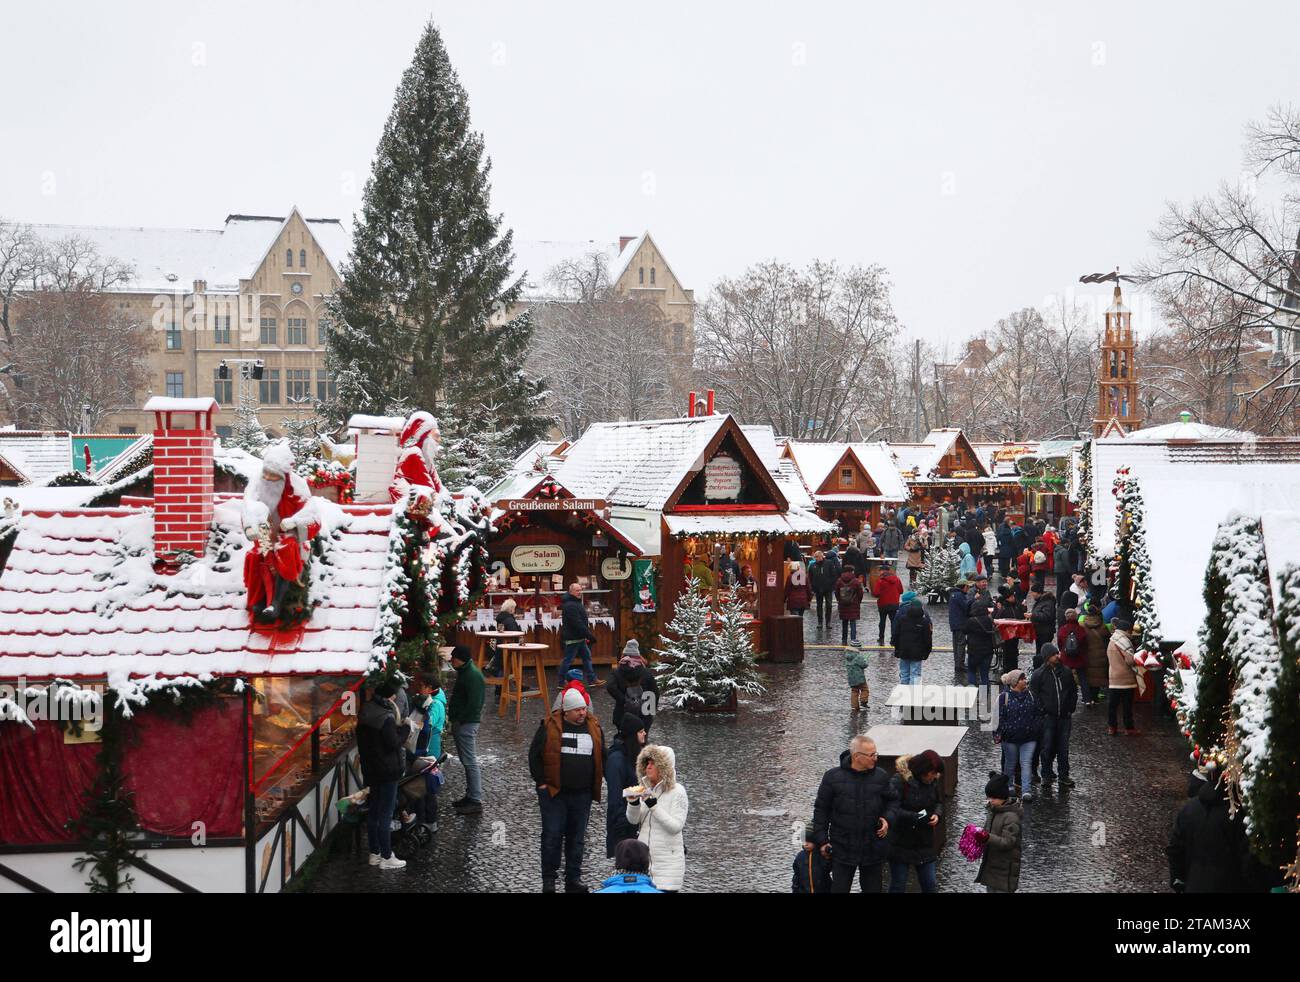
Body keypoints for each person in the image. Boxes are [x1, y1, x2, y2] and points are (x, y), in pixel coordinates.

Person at [529, 687, 606, 893]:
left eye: (584, 709)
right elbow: (534, 755)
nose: (583, 713)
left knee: (577, 839)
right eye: (578, 710)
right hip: (555, 794)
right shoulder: (549, 727)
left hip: (582, 795)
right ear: (566, 712)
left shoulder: (594, 727)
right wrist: (541, 783)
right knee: (552, 836)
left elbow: (602, 756)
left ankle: (573, 878)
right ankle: (549, 881)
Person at [811, 735, 900, 893]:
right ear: (856, 756)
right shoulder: (832, 777)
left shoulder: (881, 776)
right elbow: (821, 811)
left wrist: (887, 819)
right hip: (842, 848)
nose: (875, 758)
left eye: (876, 753)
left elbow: (893, 801)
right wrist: (822, 840)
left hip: (873, 848)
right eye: (871, 755)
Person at [1166, 773, 1276, 893]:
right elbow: (1250, 865)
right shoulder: (1241, 816)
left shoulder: (1189, 809)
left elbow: (1176, 850)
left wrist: (1178, 881)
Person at [358, 682, 412, 869]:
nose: (395, 699)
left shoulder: (365, 711)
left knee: (373, 811)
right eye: (393, 697)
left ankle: (375, 853)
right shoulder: (386, 717)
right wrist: (406, 728)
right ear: (388, 697)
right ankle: (387, 857)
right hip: (387, 771)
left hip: (371, 770)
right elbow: (393, 743)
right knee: (385, 813)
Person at [626, 744, 689, 892]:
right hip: (643, 865)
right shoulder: (646, 789)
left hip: (667, 868)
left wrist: (653, 805)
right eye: (647, 763)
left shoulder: (678, 792)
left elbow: (675, 827)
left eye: (653, 763)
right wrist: (633, 803)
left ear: (664, 767)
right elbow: (633, 820)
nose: (648, 767)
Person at [887, 751, 943, 893]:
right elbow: (892, 810)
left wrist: (937, 814)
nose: (935, 776)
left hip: (924, 842)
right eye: (933, 772)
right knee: (898, 885)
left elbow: (939, 802)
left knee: (930, 885)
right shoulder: (899, 781)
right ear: (923, 770)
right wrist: (916, 817)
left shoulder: (933, 782)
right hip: (901, 842)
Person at [1030, 643, 1078, 789]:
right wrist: (1042, 711)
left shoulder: (1066, 672)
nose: (1057, 656)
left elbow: (1073, 692)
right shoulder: (1039, 675)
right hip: (1048, 717)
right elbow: (1035, 696)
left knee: (1063, 748)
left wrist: (1070, 708)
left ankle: (1063, 775)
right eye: (1053, 654)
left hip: (1064, 717)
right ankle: (1046, 775)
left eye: (1057, 653)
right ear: (1046, 657)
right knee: (1047, 747)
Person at [447, 645, 484, 814]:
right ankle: (471, 796)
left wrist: (460, 720)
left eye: (453, 658)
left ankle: (475, 799)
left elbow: (475, 703)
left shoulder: (472, 676)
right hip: (463, 722)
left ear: (460, 659)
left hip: (466, 724)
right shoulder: (465, 672)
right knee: (467, 761)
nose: (451, 660)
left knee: (470, 762)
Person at [604, 713, 647, 859]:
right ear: (632, 735)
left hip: (634, 822)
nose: (645, 734)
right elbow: (615, 797)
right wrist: (623, 825)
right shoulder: (617, 760)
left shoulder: (633, 755)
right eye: (641, 732)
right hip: (623, 826)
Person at [994, 669, 1041, 803]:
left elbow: (1037, 714)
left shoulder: (1031, 696)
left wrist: (1035, 729)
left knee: (1026, 763)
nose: (1025, 680)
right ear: (1014, 682)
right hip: (1010, 739)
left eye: (1024, 678)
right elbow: (998, 717)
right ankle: (1009, 787)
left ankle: (1026, 790)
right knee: (1010, 764)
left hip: (1028, 738)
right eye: (1022, 679)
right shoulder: (1004, 697)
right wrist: (1000, 734)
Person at [408, 671, 446, 832]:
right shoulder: (434, 700)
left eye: (422, 686)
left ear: (429, 687)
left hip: (430, 750)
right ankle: (423, 818)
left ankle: (429, 820)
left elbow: (426, 725)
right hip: (428, 749)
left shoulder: (435, 704)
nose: (419, 689)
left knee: (427, 786)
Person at [975, 771, 1023, 893]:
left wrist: (987, 838)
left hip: (1005, 870)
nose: (990, 800)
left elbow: (1008, 842)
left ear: (1002, 796)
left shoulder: (1011, 817)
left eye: (993, 797)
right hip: (992, 866)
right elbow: (988, 831)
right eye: (989, 797)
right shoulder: (993, 811)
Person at [607, 639, 657, 732]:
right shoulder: (646, 672)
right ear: (638, 655)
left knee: (623, 740)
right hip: (643, 714)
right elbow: (654, 693)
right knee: (641, 742)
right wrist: (650, 713)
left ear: (624, 654)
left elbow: (610, 687)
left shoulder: (617, 671)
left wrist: (623, 700)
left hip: (622, 714)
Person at [559, 582, 598, 687]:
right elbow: (577, 623)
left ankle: (592, 679)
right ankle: (561, 681)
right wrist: (589, 635)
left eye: (580, 590)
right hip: (573, 638)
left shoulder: (574, 603)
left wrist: (586, 635)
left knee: (587, 657)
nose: (579, 592)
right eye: (577, 590)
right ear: (571, 591)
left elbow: (579, 622)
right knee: (568, 660)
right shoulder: (570, 605)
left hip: (579, 637)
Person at [1106, 617, 1141, 735]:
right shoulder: (1124, 641)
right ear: (1126, 630)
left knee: (1113, 705)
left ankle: (1112, 727)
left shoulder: (1112, 640)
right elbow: (1130, 661)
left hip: (1113, 677)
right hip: (1126, 678)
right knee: (1127, 706)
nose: (1131, 633)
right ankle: (1129, 728)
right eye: (1130, 631)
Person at [893, 590, 932, 685]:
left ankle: (904, 693)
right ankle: (913, 695)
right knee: (915, 674)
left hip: (904, 650)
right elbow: (928, 638)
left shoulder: (902, 619)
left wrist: (897, 649)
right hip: (917, 653)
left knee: (904, 673)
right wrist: (927, 651)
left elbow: (896, 635)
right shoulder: (924, 621)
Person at [1057, 608, 1092, 704]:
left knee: (1065, 679)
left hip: (1066, 658)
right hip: (1079, 657)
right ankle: (1087, 699)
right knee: (1083, 678)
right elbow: (1085, 644)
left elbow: (1060, 644)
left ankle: (1064, 697)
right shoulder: (1081, 629)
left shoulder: (1062, 630)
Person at [792, 820, 834, 893]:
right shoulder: (800, 856)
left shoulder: (822, 855)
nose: (806, 844)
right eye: (804, 841)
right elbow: (797, 875)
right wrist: (795, 888)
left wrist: (828, 858)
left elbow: (828, 868)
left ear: (816, 841)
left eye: (809, 841)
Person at [963, 599, 998, 686]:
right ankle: (984, 694)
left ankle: (973, 691)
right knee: (984, 674)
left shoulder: (971, 621)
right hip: (988, 650)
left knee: (971, 671)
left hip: (974, 650)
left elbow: (964, 631)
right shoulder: (989, 620)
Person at [871, 563, 904, 646]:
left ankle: (881, 637)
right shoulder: (896, 579)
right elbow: (901, 591)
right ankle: (893, 639)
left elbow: (876, 593)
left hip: (883, 604)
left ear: (882, 571)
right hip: (894, 604)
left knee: (882, 621)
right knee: (893, 621)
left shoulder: (880, 580)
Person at [836, 566, 865, 648]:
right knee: (853, 623)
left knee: (844, 623)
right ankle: (853, 640)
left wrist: (840, 600)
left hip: (843, 605)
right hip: (853, 605)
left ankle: (844, 640)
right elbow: (860, 593)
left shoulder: (839, 580)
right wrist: (858, 601)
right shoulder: (856, 581)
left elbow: (836, 592)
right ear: (852, 571)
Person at [948, 577, 971, 678]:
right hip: (960, 623)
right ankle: (960, 665)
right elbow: (966, 607)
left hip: (954, 624)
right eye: (967, 587)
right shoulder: (960, 596)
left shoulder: (953, 595)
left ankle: (957, 664)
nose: (968, 589)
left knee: (956, 644)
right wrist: (973, 600)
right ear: (964, 587)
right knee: (961, 644)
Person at [809, 550, 837, 630]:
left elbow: (833, 575)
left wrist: (831, 585)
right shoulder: (812, 566)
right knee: (819, 606)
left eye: (817, 557)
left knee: (829, 605)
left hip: (828, 589)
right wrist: (813, 587)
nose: (816, 559)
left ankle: (828, 622)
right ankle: (820, 622)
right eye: (815, 557)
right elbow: (810, 577)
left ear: (821, 556)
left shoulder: (829, 563)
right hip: (818, 589)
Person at [1029, 589, 1057, 661]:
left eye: (1033, 592)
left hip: (1045, 632)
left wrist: (1033, 615)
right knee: (1039, 651)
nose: (1031, 594)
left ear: (1038, 593)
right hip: (1039, 631)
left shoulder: (1048, 603)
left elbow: (1046, 616)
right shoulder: (1040, 601)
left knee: (1043, 653)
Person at [845, 644, 870, 711]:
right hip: (860, 678)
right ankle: (863, 701)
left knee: (854, 692)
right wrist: (866, 660)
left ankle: (855, 707)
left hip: (851, 679)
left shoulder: (847, 657)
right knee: (865, 689)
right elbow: (864, 665)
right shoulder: (858, 657)